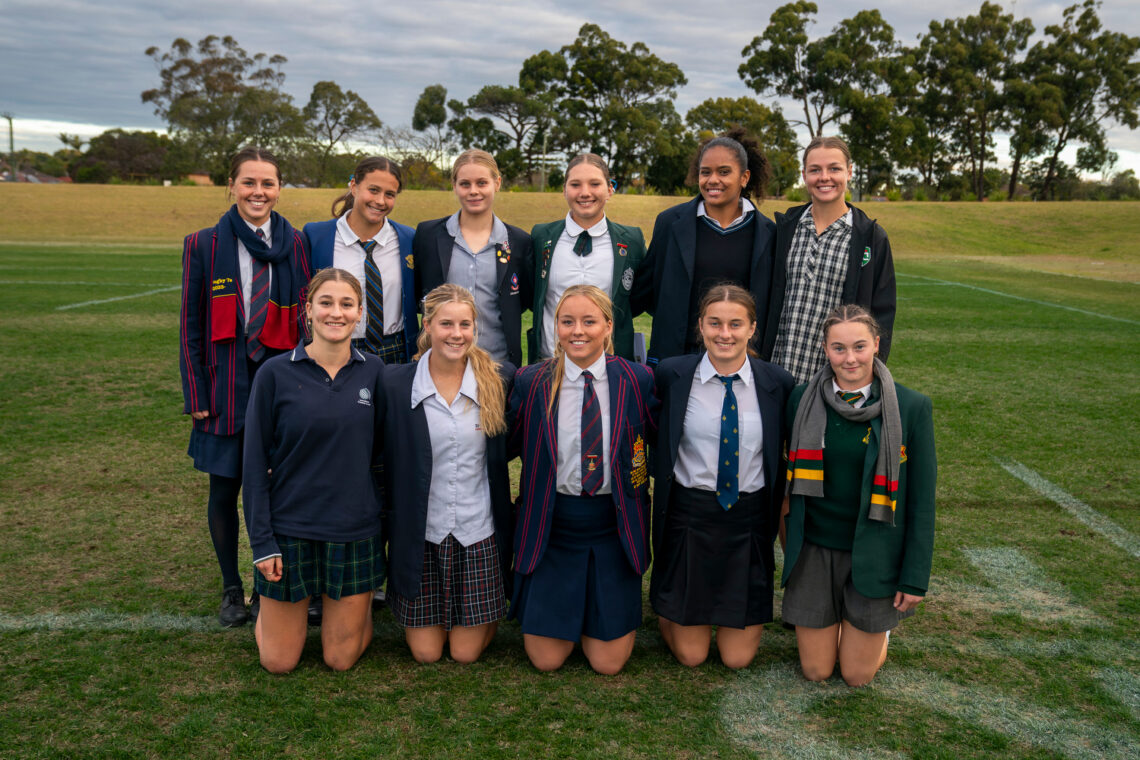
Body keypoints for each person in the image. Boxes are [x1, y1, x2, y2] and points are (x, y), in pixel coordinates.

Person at [179, 147, 311, 628]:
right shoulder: (204, 244)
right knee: (225, 489)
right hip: (225, 388)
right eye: (249, 182)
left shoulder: (295, 243)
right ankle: (231, 590)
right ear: (231, 186)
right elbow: (190, 326)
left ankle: (273, 586)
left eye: (268, 183)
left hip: (281, 384)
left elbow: (303, 318)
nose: (259, 192)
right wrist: (197, 396)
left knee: (283, 488)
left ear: (279, 189)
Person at [780, 304, 935, 686]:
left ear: (877, 345)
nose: (850, 358)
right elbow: (786, 486)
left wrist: (914, 578)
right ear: (824, 348)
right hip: (816, 548)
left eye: (859, 346)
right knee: (816, 671)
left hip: (876, 549)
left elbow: (921, 501)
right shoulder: (801, 399)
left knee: (855, 676)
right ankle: (835, 622)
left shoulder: (912, 407)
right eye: (838, 348)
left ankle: (875, 631)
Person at [508, 285, 659, 675]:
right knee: (545, 661)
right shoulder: (531, 381)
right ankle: (560, 611)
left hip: (612, 528)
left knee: (608, 665)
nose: (578, 331)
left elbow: (655, 442)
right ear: (555, 326)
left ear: (608, 327)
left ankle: (599, 612)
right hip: (553, 529)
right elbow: (504, 444)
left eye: (589, 321)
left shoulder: (637, 379)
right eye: (567, 321)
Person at [242, 268, 386, 673]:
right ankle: (271, 613)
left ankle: (358, 617)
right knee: (278, 662)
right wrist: (263, 544)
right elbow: (253, 465)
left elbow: (386, 455)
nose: (335, 313)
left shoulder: (375, 373)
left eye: (346, 304)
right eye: (325, 303)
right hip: (291, 530)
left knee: (339, 660)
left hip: (353, 532)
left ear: (361, 314)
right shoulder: (274, 373)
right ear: (308, 310)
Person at [650, 284, 795, 668]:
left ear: (752, 329)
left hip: (747, 521)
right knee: (692, 656)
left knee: (737, 660)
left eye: (735, 324)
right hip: (690, 515)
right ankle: (670, 609)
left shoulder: (777, 383)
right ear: (700, 326)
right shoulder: (673, 374)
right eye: (714, 323)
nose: (724, 334)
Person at [383, 284, 514, 664]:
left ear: (475, 328)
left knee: (464, 654)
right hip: (423, 533)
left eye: (465, 324)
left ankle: (481, 613)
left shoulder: (498, 382)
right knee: (426, 654)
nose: (456, 334)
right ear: (427, 326)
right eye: (446, 324)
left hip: (477, 531)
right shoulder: (395, 384)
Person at [761, 136, 896, 383]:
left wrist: (866, 377)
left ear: (849, 172)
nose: (825, 177)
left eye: (834, 168)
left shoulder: (871, 238)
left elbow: (882, 315)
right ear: (804, 175)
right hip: (776, 375)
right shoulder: (783, 230)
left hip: (832, 382)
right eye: (815, 170)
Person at [643, 128, 775, 365]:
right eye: (705, 172)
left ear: (744, 178)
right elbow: (649, 292)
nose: (713, 180)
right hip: (677, 358)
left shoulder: (768, 233)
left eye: (724, 172)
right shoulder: (670, 223)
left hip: (741, 358)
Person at [413, 149, 533, 368]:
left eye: (482, 183)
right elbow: (420, 295)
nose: (473, 191)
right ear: (454, 185)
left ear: (497, 183)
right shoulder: (428, 235)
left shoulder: (519, 241)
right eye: (465, 184)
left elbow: (521, 301)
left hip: (497, 364)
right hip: (440, 365)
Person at [528, 153, 649, 362]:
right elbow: (533, 295)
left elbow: (636, 300)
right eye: (575, 185)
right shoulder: (541, 237)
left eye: (594, 184)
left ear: (610, 189)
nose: (585, 193)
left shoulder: (632, 240)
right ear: (564, 190)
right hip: (551, 363)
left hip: (610, 365)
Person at [305, 156, 418, 364]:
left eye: (390, 194)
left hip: (395, 351)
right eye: (373, 190)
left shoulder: (409, 239)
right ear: (354, 186)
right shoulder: (316, 236)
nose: (380, 201)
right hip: (335, 347)